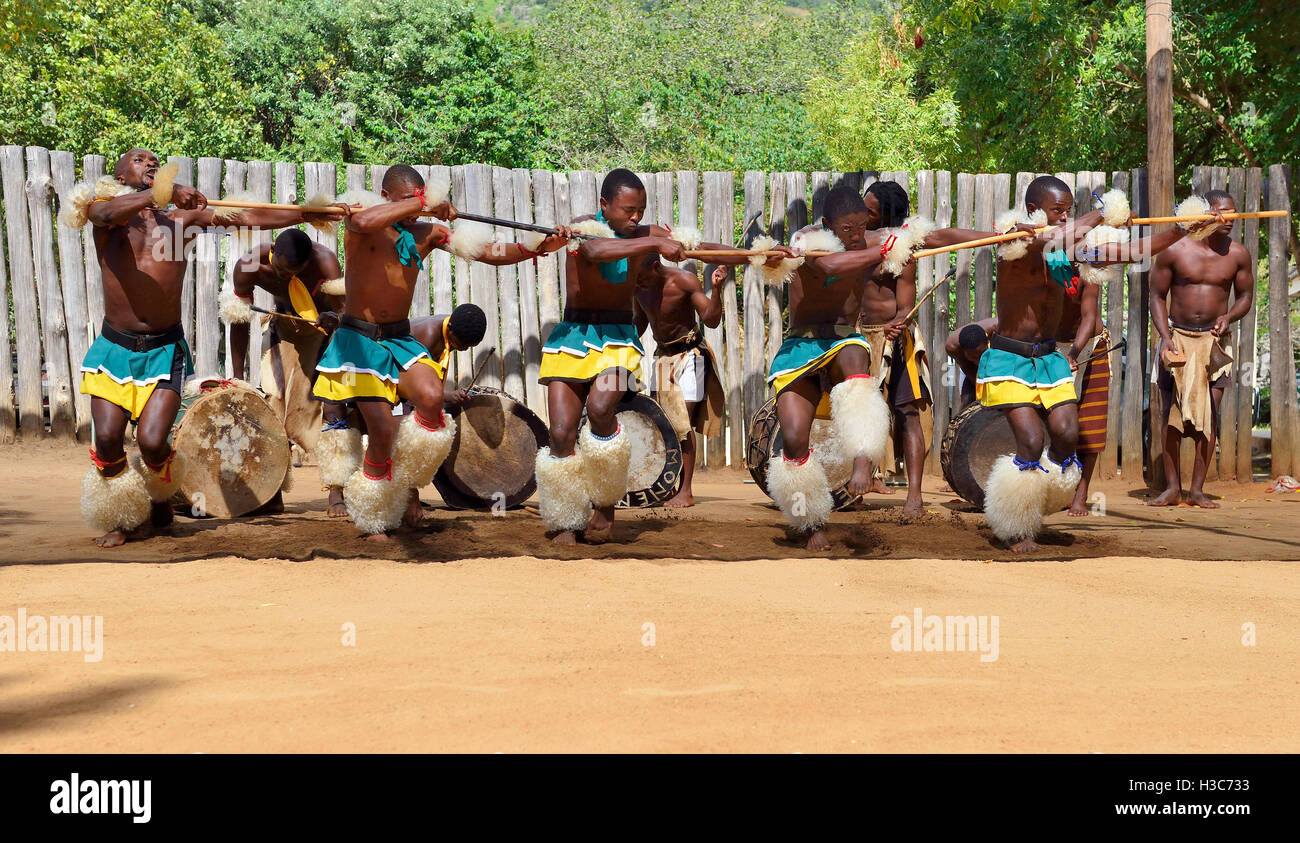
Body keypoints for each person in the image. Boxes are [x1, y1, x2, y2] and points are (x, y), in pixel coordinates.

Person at [66, 148, 341, 546]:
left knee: (153, 442)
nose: (150, 163)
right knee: (107, 440)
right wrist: (160, 192)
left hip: (164, 349)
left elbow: (245, 216)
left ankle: (161, 497)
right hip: (114, 348)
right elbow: (105, 215)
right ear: (121, 173)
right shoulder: (104, 213)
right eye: (140, 160)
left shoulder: (182, 221)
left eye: (155, 162)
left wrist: (308, 214)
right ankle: (123, 516)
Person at [312, 164, 570, 539]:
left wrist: (536, 248)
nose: (417, 210)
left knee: (432, 398)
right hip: (358, 340)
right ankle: (372, 517)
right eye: (408, 201)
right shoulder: (359, 218)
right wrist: (421, 202)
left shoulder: (426, 231)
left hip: (399, 339)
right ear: (386, 197)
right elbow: (366, 222)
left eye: (421, 201)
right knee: (381, 430)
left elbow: (485, 251)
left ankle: (405, 483)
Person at [535, 168, 755, 545]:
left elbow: (708, 249)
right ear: (605, 205)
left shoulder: (646, 236)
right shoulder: (584, 229)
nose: (635, 218)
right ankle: (566, 518)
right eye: (628, 210)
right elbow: (598, 251)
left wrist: (758, 257)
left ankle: (605, 503)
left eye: (641, 211)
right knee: (560, 433)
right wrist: (651, 244)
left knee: (603, 408)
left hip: (620, 339)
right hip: (572, 338)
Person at [760, 184, 929, 549]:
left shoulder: (873, 241)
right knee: (792, 440)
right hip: (800, 345)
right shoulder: (808, 241)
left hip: (841, 338)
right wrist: (878, 252)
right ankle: (809, 522)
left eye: (859, 228)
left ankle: (863, 461)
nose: (854, 237)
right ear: (826, 224)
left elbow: (938, 235)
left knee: (856, 360)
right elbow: (832, 266)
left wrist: (1006, 234)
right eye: (846, 230)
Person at [1149, 189, 1253, 508]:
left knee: (1210, 412)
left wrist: (1228, 316)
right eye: (1221, 212)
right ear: (1205, 213)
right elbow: (1156, 296)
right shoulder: (1175, 250)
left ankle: (1196, 490)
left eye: (1233, 213)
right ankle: (1171, 488)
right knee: (1172, 415)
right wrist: (1165, 338)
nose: (1228, 219)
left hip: (1214, 343)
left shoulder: (1238, 254)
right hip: (1177, 338)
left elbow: (1245, 297)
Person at [224, 228, 343, 494]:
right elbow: (239, 319)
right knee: (273, 404)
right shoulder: (250, 265)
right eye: (282, 271)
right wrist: (237, 376)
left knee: (322, 409)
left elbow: (344, 309)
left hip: (321, 335)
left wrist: (332, 317)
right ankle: (273, 491)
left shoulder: (324, 261)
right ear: (273, 250)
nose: (288, 278)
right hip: (282, 331)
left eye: (295, 273)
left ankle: (336, 491)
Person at [636, 262, 727, 508]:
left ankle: (685, 490)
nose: (637, 279)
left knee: (681, 423)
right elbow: (639, 324)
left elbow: (711, 319)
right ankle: (667, 487)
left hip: (690, 355)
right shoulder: (639, 284)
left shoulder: (684, 281)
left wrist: (716, 289)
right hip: (662, 357)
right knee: (660, 425)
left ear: (654, 266)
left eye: (641, 273)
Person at [944, 318, 998, 410]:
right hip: (972, 370)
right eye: (973, 357)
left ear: (988, 342)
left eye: (981, 354)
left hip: (1000, 365)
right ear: (963, 351)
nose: (979, 361)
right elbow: (970, 372)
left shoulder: (1000, 329)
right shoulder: (953, 347)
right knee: (968, 405)